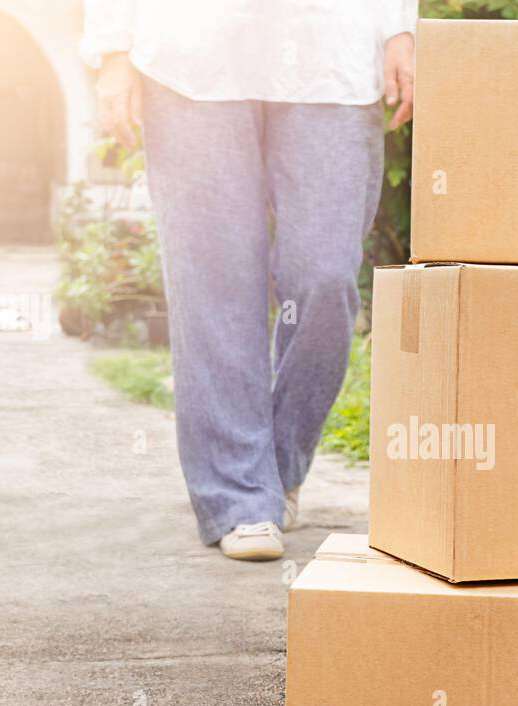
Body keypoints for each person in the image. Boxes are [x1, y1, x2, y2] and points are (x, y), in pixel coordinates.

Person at [81, 2, 417, 560]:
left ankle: (279, 465)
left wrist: (399, 26)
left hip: (332, 49)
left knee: (325, 277)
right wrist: (112, 48)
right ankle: (239, 495)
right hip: (192, 51)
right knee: (212, 284)